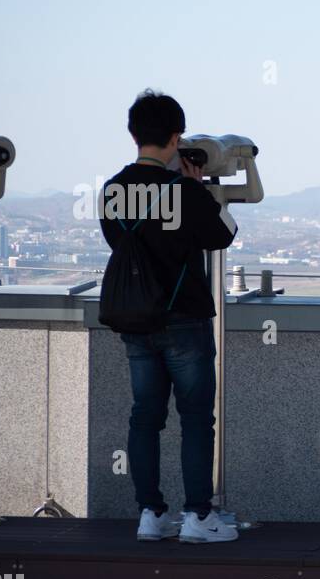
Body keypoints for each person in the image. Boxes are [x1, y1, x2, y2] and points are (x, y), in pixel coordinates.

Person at [99, 89, 240, 543]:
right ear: (176, 138)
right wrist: (198, 190)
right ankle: (198, 517)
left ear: (134, 134)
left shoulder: (112, 190)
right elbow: (221, 236)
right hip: (184, 320)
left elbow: (120, 245)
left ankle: (150, 514)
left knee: (145, 418)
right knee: (196, 420)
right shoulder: (182, 190)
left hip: (136, 322)